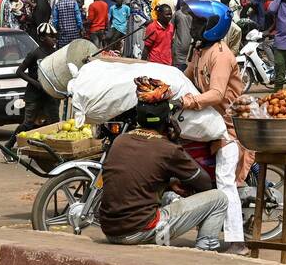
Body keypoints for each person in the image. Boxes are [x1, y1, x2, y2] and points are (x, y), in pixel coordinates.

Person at [98, 98, 230, 251]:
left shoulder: (120, 140)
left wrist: (169, 183)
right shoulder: (168, 148)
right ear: (168, 120)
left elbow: (140, 176)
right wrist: (176, 142)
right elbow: (204, 183)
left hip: (110, 229)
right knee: (219, 198)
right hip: (138, 230)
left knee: (169, 197)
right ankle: (205, 250)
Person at [181, 0, 251, 255]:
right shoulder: (200, 51)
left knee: (225, 179)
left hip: (229, 126)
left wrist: (190, 100)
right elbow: (184, 75)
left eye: (200, 22)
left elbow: (216, 94)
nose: (194, 26)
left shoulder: (221, 56)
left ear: (213, 26)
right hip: (211, 121)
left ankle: (237, 241)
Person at [9, 22, 60, 145]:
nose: (54, 39)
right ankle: (9, 146)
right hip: (34, 95)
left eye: (55, 36)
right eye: (51, 36)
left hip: (50, 95)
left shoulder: (56, 53)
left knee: (54, 124)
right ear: (42, 38)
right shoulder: (35, 54)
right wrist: (34, 83)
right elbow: (19, 71)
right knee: (28, 124)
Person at [170, 0, 192, 70]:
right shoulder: (196, 13)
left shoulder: (178, 13)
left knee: (177, 72)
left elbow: (170, 30)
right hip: (191, 47)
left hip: (179, 47)